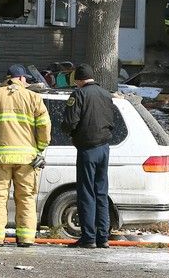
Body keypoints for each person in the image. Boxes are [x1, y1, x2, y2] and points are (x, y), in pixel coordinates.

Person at [0, 64, 51, 247]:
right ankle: (25, 238)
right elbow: (44, 127)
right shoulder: (33, 97)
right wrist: (39, 151)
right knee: (25, 197)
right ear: (22, 78)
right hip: (27, 159)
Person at [61, 63, 116, 249]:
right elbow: (111, 120)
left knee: (86, 193)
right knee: (101, 193)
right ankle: (103, 237)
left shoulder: (79, 94)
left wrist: (69, 132)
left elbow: (70, 121)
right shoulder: (106, 94)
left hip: (87, 149)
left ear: (78, 80)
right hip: (104, 148)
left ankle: (89, 237)